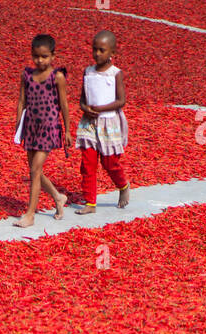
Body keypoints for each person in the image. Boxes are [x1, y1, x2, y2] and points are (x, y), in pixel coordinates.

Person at [13, 33, 71, 229]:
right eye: (36, 56)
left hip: (48, 127)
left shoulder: (58, 76)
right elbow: (22, 100)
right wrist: (18, 122)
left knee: (35, 169)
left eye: (44, 56)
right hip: (31, 126)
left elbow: (64, 105)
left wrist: (68, 131)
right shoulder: (27, 75)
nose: (40, 60)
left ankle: (30, 214)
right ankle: (58, 197)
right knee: (34, 171)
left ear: (53, 56)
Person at [74, 30, 130, 212]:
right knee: (87, 163)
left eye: (102, 50)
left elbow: (121, 100)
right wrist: (85, 108)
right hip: (89, 124)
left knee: (109, 162)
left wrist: (101, 109)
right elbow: (83, 98)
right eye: (94, 49)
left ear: (112, 53)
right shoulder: (88, 72)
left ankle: (123, 185)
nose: (97, 54)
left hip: (108, 123)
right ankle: (90, 202)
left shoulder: (115, 74)